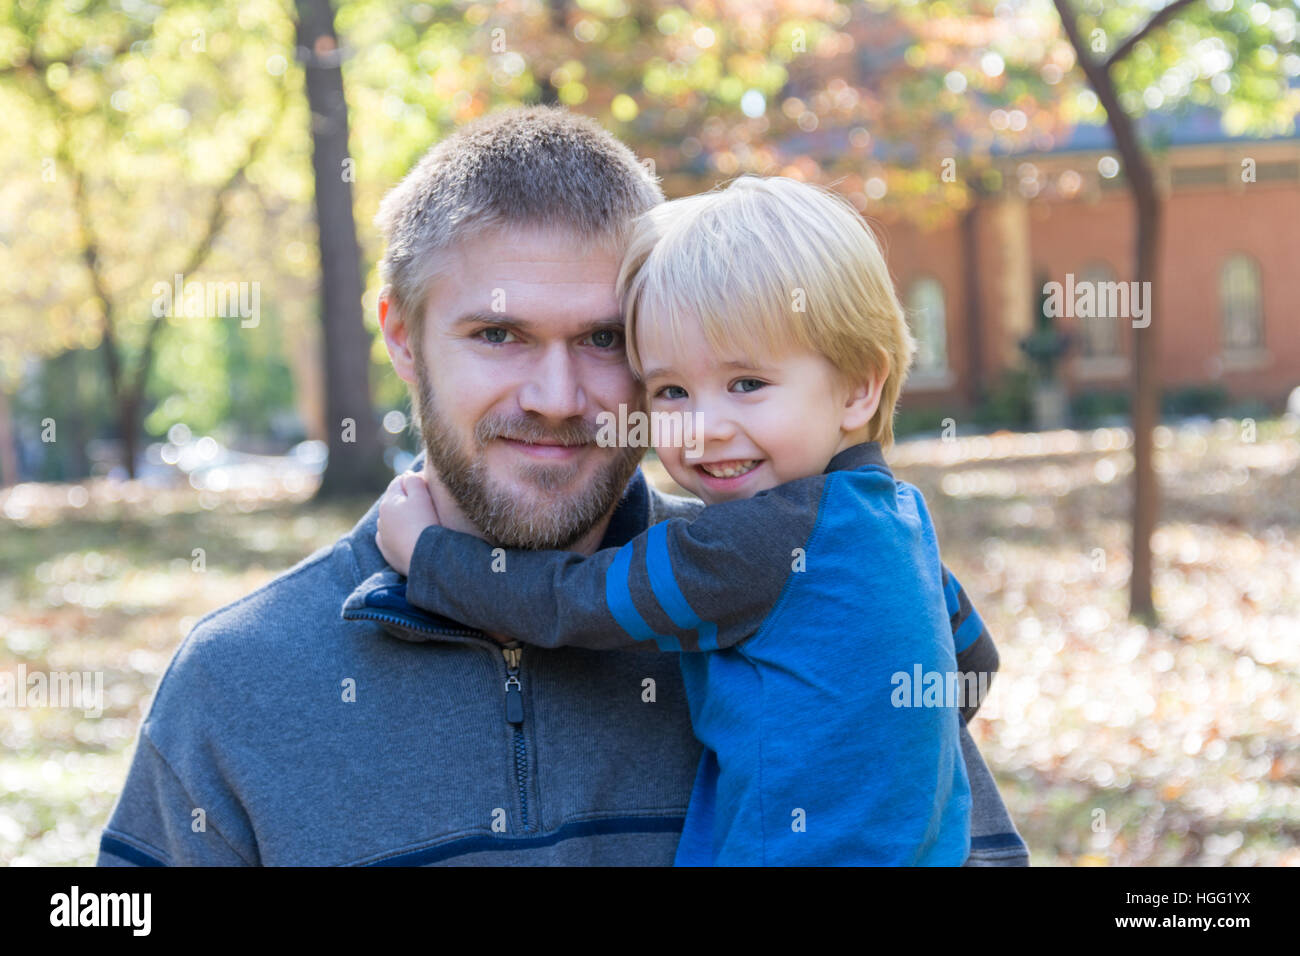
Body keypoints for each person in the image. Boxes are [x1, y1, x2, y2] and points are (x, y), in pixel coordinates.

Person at [97, 105, 1028, 866]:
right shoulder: (238, 682)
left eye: (601, 341)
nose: (555, 399)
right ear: (401, 336)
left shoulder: (817, 627)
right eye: (499, 336)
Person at [376, 175, 986, 864]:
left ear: (858, 388)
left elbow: (571, 602)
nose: (702, 430)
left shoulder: (751, 544)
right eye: (669, 391)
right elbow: (973, 662)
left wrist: (429, 555)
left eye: (746, 384)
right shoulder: (901, 522)